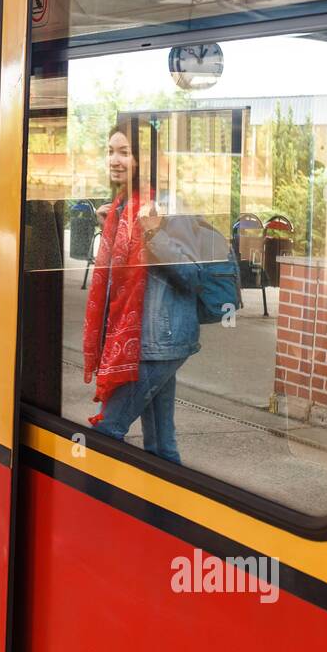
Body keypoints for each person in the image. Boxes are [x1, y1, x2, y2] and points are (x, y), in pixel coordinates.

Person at [83, 127, 206, 464]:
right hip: (144, 342)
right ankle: (165, 514)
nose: (114, 160)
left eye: (124, 152)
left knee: (107, 430)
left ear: (144, 160)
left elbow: (195, 275)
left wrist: (153, 235)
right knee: (161, 448)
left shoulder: (166, 205)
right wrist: (112, 222)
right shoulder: (123, 205)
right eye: (110, 151)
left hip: (158, 342)